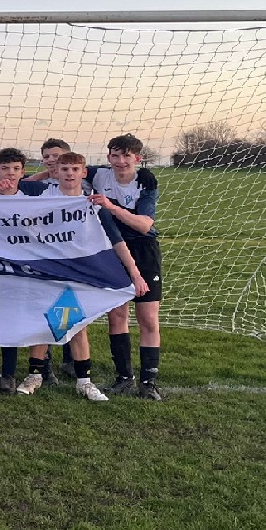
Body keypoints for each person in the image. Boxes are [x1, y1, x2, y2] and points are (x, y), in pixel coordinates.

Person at [14, 152, 149, 400]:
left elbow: (117, 242)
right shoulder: (44, 199)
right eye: (64, 169)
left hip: (81, 272)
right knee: (44, 321)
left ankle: (84, 381)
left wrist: (136, 274)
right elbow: (16, 199)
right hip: (49, 269)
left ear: (83, 173)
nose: (70, 174)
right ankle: (35, 375)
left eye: (75, 169)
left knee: (75, 323)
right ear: (57, 172)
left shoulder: (94, 204)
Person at [86, 134, 164, 400]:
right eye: (115, 156)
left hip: (143, 250)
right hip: (111, 250)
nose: (120, 161)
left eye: (126, 156)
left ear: (137, 158)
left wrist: (111, 206)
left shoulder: (145, 182)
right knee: (117, 315)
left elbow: (144, 225)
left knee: (148, 318)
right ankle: (124, 377)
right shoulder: (98, 175)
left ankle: (148, 381)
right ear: (108, 157)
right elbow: (61, 168)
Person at [0, 148, 48, 394]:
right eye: (5, 168)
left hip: (14, 271)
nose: (10, 173)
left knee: (10, 321)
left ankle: (8, 374)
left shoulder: (29, 203)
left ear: (23, 173)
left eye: (16, 169)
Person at [40, 138, 75, 381]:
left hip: (75, 257)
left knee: (73, 309)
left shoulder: (85, 183)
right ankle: (45, 366)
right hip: (48, 257)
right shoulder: (38, 187)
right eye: (47, 157)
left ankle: (72, 361)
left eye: (57, 156)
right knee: (48, 309)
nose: (52, 160)